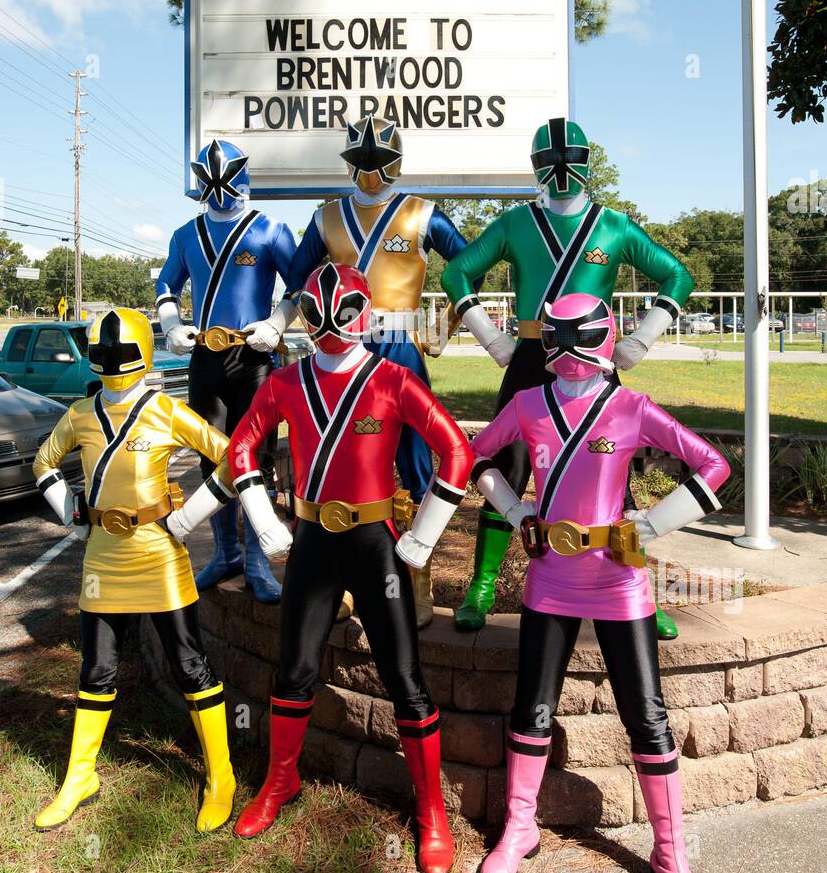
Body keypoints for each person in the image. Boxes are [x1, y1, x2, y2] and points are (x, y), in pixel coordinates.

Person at [470, 293, 729, 873]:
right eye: (556, 339)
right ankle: (519, 828)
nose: (570, 353)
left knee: (647, 717)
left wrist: (653, 525)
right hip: (550, 578)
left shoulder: (631, 407)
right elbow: (474, 456)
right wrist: (516, 512)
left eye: (581, 338)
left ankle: (671, 856)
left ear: (604, 337)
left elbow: (713, 465)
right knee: (532, 707)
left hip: (620, 582)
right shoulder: (528, 403)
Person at [227, 262, 472, 873]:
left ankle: (431, 809)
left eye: (343, 311)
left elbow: (456, 451)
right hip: (313, 540)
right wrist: (263, 518)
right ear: (306, 313)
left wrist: (422, 537)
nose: (333, 325)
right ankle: (281, 783)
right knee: (295, 667)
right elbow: (240, 446)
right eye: (319, 312)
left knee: (404, 676)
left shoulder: (392, 379)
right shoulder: (285, 382)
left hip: (374, 542)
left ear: (366, 311)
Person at [441, 116, 694, 640]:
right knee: (505, 466)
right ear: (536, 167)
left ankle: (631, 580)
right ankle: (482, 584)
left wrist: (642, 337)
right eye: (550, 163)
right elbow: (455, 271)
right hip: (533, 351)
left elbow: (678, 275)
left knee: (612, 470)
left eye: (569, 161)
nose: (560, 172)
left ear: (586, 163)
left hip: (596, 358)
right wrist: (493, 337)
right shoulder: (516, 223)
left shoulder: (614, 226)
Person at [32, 308, 240, 834]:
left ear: (145, 353)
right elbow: (43, 462)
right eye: (100, 355)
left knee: (190, 666)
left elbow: (233, 458)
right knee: (96, 670)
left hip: (160, 554)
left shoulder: (166, 410)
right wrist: (72, 513)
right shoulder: (80, 413)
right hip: (102, 554)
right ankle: (80, 776)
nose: (110, 365)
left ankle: (222, 775)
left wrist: (190, 515)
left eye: (120, 354)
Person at [283, 115, 472, 626]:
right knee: (339, 453)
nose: (370, 173)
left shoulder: (422, 213)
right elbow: (298, 282)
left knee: (414, 454)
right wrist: (281, 324)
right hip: (340, 345)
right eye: (361, 162)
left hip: (400, 344)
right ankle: (337, 576)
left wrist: (449, 323)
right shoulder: (325, 218)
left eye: (379, 162)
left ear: (398, 161)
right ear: (348, 163)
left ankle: (417, 573)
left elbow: (466, 266)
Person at [155, 138, 296, 600]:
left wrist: (277, 323)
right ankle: (225, 551)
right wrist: (173, 324)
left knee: (256, 458)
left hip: (254, 356)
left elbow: (299, 286)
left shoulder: (270, 228)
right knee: (210, 457)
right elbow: (166, 286)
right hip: (205, 358)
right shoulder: (185, 235)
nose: (221, 194)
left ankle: (258, 561)